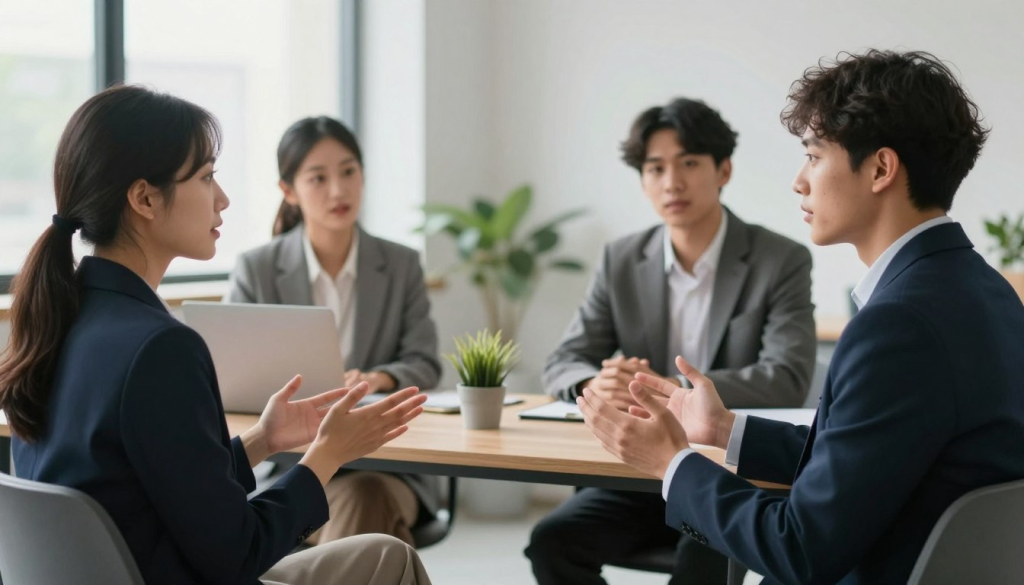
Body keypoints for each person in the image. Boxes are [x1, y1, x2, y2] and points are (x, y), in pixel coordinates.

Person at [578, 50, 1024, 585]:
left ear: (881, 168)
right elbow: (871, 452)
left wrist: (671, 462)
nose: (799, 181)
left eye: (813, 156)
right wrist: (723, 429)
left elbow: (800, 550)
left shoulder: (898, 325)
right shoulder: (985, 289)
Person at [0, 85, 432, 585]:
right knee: (389, 558)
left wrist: (261, 441)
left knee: (378, 554)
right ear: (144, 198)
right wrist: (327, 454)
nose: (223, 199)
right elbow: (239, 553)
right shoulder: (162, 348)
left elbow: (158, 481)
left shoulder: (59, 319)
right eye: (206, 177)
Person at [528, 98, 816, 585]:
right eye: (655, 168)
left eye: (688, 164)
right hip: (639, 473)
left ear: (723, 169)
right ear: (642, 180)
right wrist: (599, 382)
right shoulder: (622, 260)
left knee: (701, 556)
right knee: (552, 543)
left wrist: (669, 392)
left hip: (729, 475)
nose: (672, 182)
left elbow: (786, 378)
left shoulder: (779, 259)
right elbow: (563, 362)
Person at [227, 116, 442, 547]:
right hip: (289, 464)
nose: (339, 191)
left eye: (348, 172)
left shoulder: (400, 264)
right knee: (369, 525)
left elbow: (425, 362)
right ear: (288, 191)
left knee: (365, 496)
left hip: (386, 463)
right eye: (318, 178)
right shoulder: (258, 269)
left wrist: (378, 378)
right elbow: (236, 379)